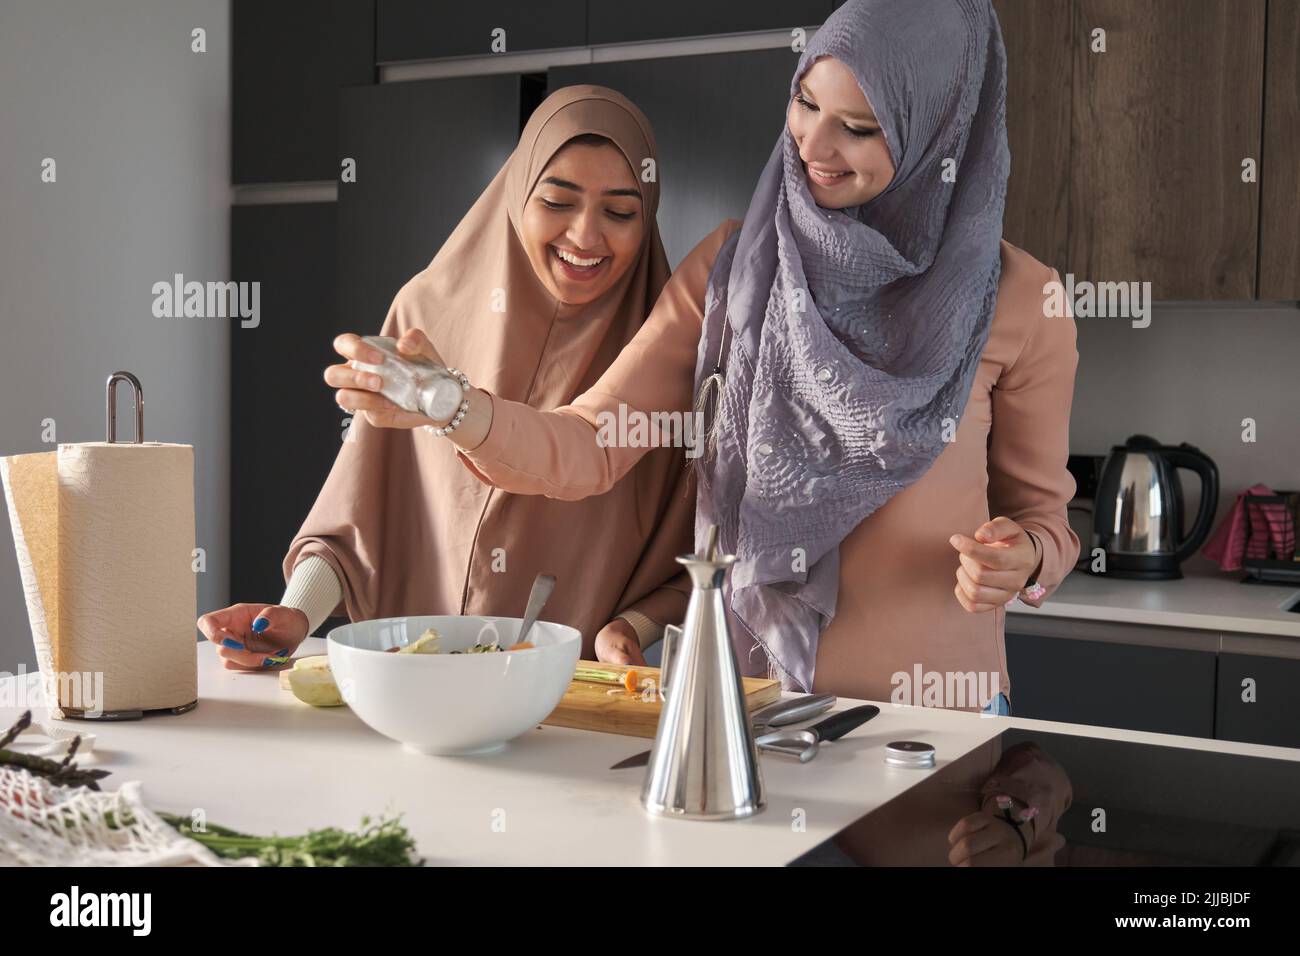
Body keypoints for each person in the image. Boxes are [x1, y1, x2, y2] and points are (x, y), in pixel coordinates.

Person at [330, 0, 1080, 720]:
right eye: (806, 103)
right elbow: (589, 444)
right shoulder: (732, 267)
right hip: (748, 716)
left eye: (857, 128)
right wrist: (453, 406)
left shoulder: (1018, 300)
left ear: (937, 134)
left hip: (932, 729)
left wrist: (1028, 557)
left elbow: (1047, 519)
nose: (813, 147)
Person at [198, 86, 696, 667]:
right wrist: (296, 612)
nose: (585, 236)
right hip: (416, 686)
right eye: (558, 202)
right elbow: (360, 512)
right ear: (516, 193)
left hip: (568, 703)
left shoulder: (665, 356)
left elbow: (697, 554)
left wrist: (632, 626)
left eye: (619, 212)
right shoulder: (423, 316)